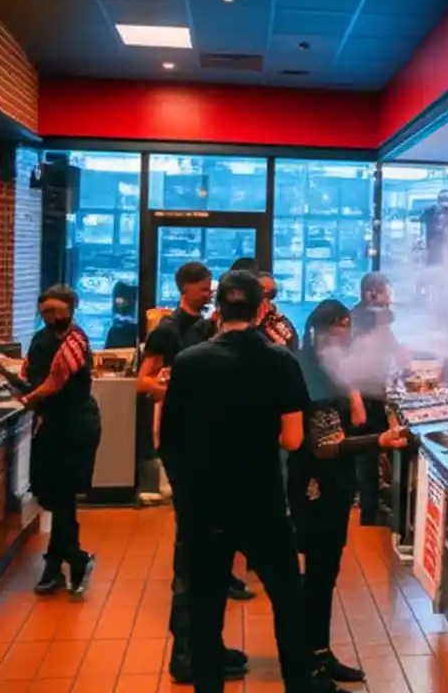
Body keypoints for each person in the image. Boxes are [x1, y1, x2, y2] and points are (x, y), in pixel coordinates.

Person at [160, 271, 340, 693]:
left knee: (206, 605)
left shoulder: (189, 362)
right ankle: (298, 681)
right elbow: (294, 439)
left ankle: (209, 685)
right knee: (286, 597)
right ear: (262, 310)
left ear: (218, 309)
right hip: (261, 499)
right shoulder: (280, 361)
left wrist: (186, 498)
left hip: (205, 503)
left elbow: (169, 440)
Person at [137, 262, 251, 684]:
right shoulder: (167, 330)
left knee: (210, 547)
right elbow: (142, 382)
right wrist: (179, 387)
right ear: (186, 287)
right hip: (181, 446)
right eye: (204, 288)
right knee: (191, 550)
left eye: (212, 290)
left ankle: (209, 642)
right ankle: (186, 649)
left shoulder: (206, 330)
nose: (208, 294)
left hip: (207, 446)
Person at [290, 301, 411, 683]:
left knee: (325, 570)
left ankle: (316, 651)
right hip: (316, 484)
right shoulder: (309, 373)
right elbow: (325, 444)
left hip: (334, 483)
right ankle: (310, 656)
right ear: (320, 331)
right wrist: (380, 440)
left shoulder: (328, 369)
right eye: (338, 330)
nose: (344, 338)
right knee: (319, 572)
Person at [21, 285, 101, 597]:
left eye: (57, 311)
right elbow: (32, 374)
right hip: (49, 427)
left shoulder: (75, 341)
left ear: (72, 309)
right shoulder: (41, 340)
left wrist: (30, 396)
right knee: (56, 498)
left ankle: (56, 565)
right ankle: (73, 557)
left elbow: (52, 384)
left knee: (65, 495)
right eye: (45, 313)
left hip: (76, 427)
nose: (51, 317)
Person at [350, 272, 406, 524]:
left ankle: (370, 506)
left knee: (369, 454)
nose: (390, 297)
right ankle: (369, 514)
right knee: (367, 455)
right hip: (365, 394)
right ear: (372, 293)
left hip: (372, 391)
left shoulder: (368, 317)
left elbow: (392, 346)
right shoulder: (364, 319)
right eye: (386, 291)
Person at [257, 272, 300, 350]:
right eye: (261, 290)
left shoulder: (277, 320)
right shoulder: (242, 320)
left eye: (270, 293)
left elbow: (292, 345)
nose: (265, 299)